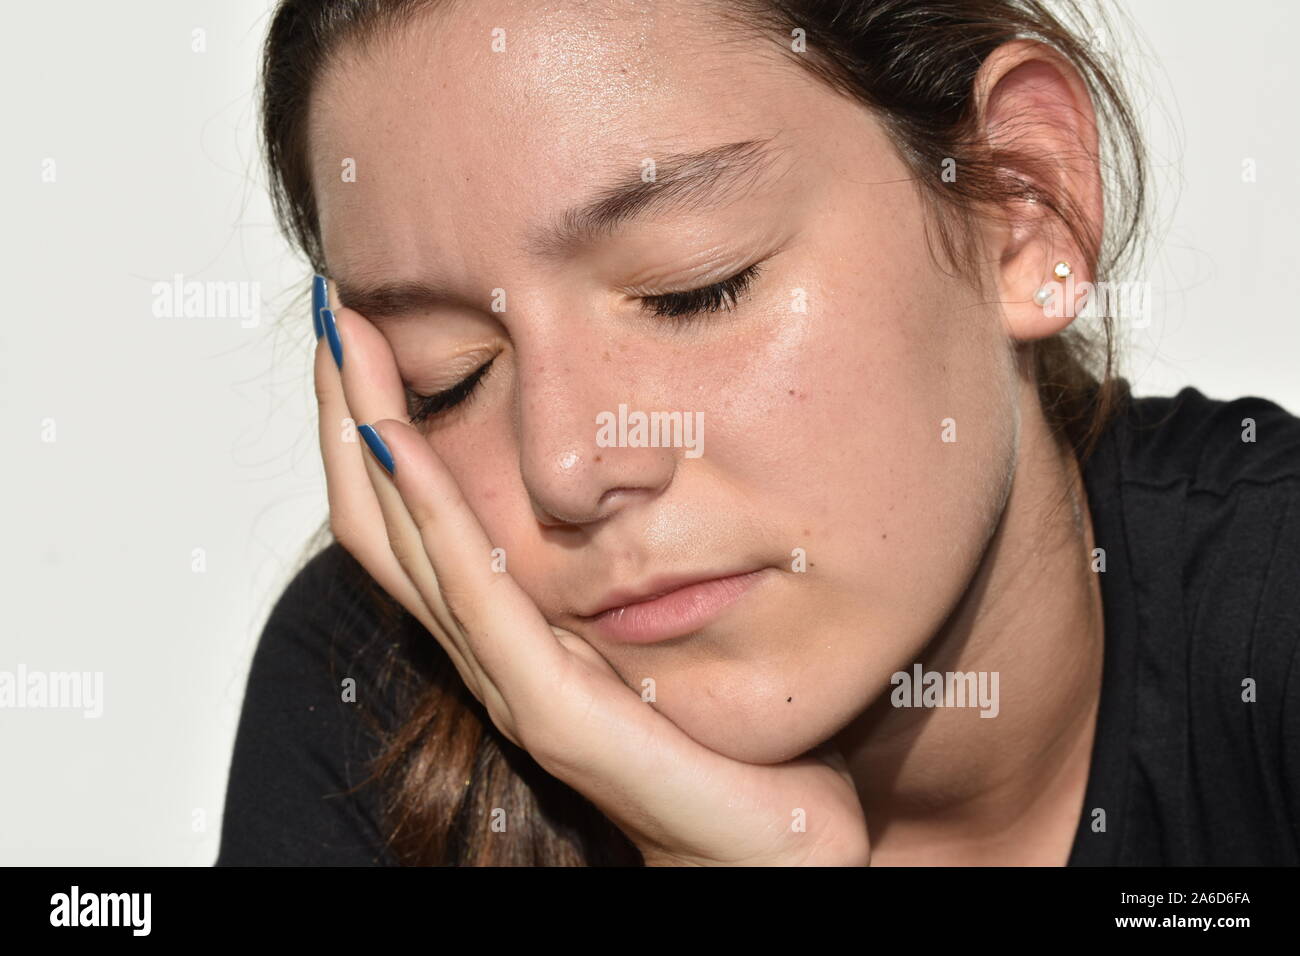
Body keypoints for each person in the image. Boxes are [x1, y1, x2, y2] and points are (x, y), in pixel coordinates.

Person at [216, 0, 1300, 866]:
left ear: (1023, 203)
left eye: (693, 290)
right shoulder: (373, 707)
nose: (566, 465)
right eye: (445, 378)